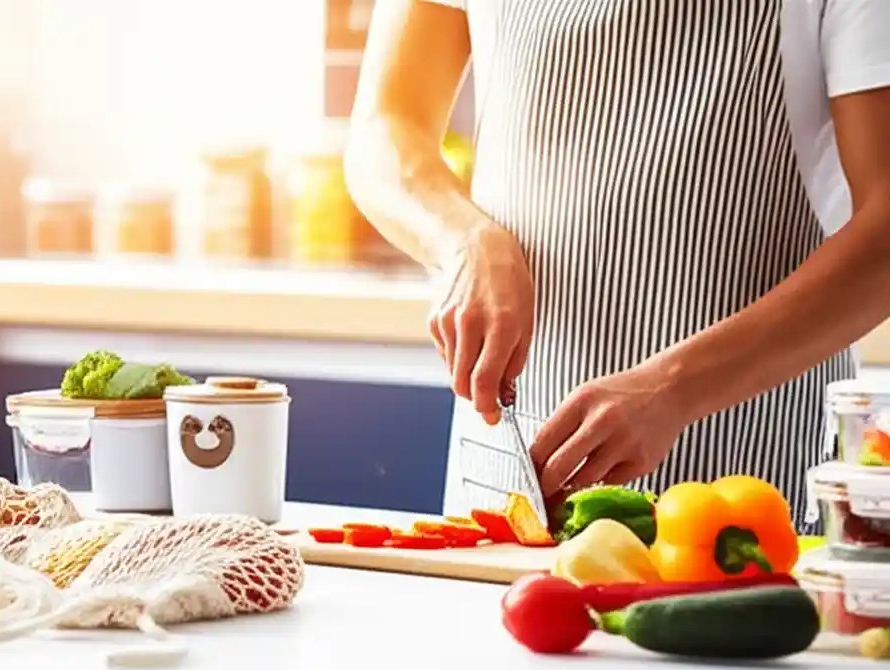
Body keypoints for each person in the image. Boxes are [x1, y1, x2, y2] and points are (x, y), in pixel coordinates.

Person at [344, 0, 890, 527]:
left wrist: (676, 388)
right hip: (508, 468)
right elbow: (385, 129)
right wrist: (462, 240)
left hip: (747, 484)